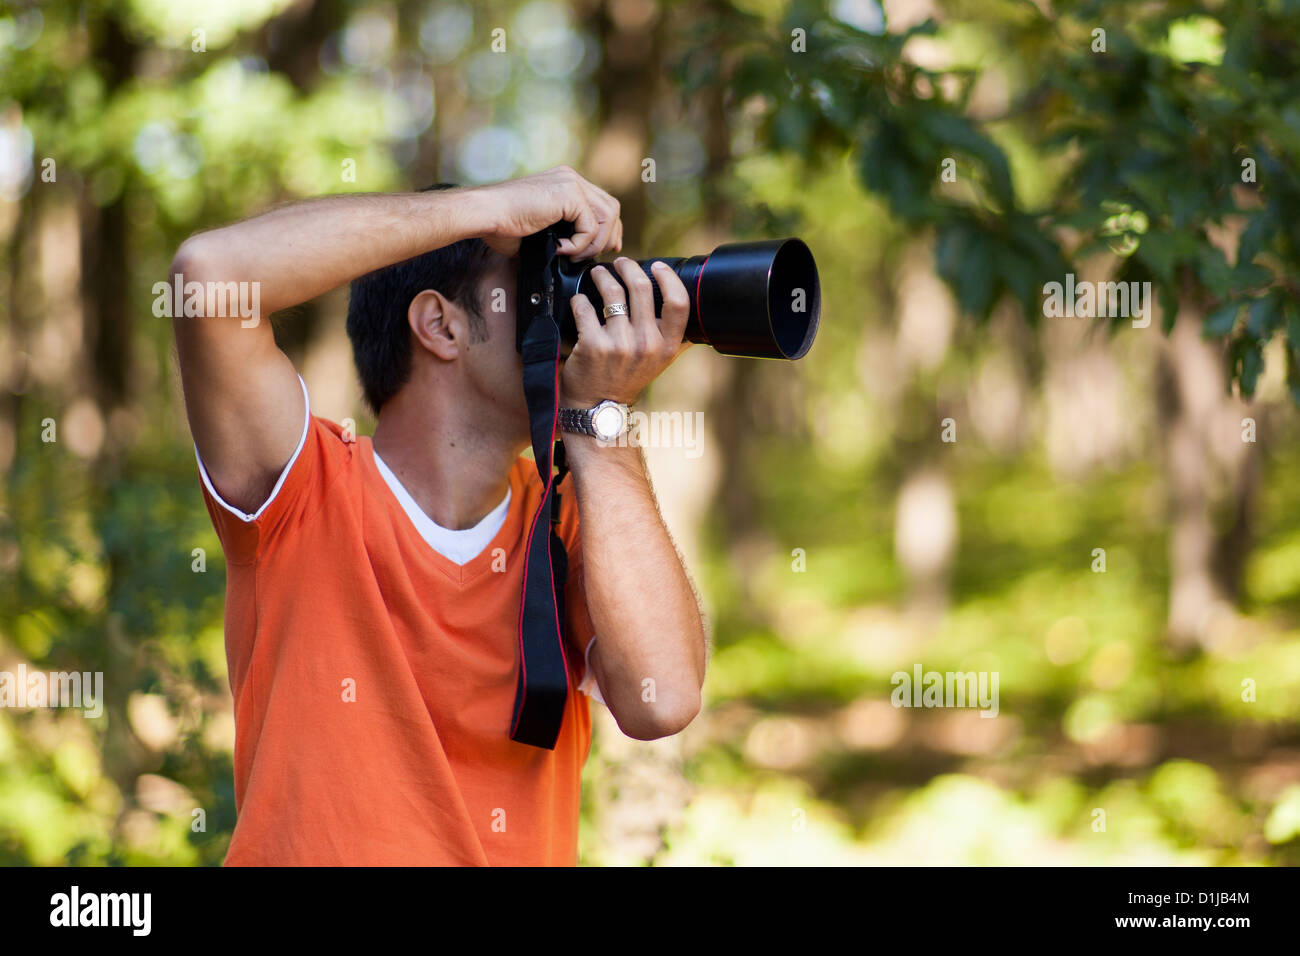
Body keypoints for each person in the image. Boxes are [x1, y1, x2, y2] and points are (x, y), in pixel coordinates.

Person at [170, 166, 707, 865]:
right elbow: (207, 275)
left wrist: (600, 420)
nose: (573, 312)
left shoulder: (567, 520)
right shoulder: (305, 494)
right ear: (439, 324)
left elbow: (661, 700)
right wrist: (490, 209)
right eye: (538, 283)